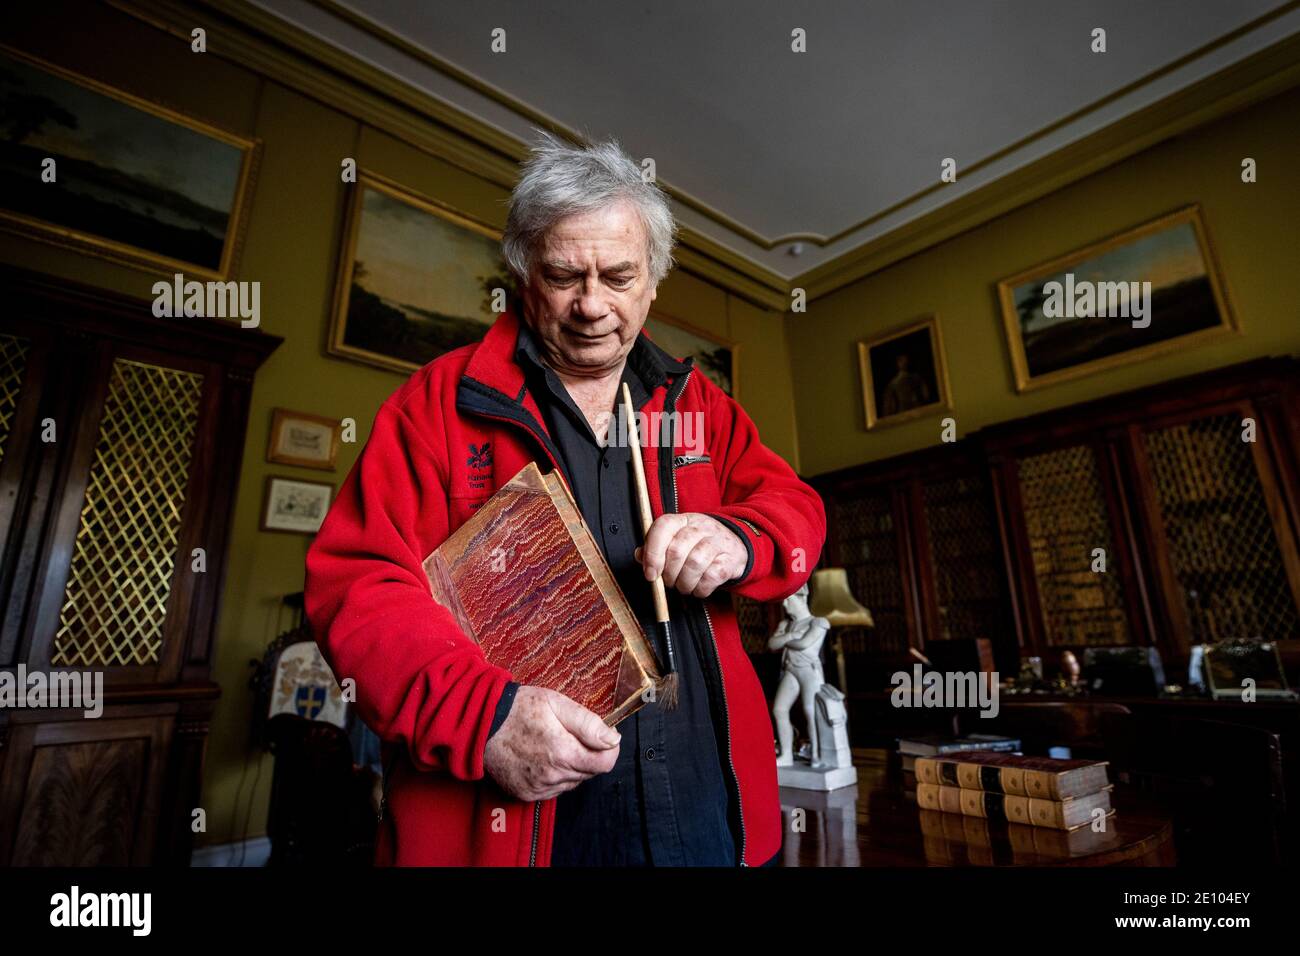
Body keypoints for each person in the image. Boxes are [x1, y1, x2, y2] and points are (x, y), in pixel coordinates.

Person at [305, 133, 826, 866]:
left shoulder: (701, 404)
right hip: (514, 827)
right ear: (523, 277)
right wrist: (483, 719)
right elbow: (355, 586)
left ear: (653, 282)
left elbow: (794, 508)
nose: (592, 306)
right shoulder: (434, 406)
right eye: (563, 276)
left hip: (711, 812)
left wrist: (741, 539)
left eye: (619, 277)